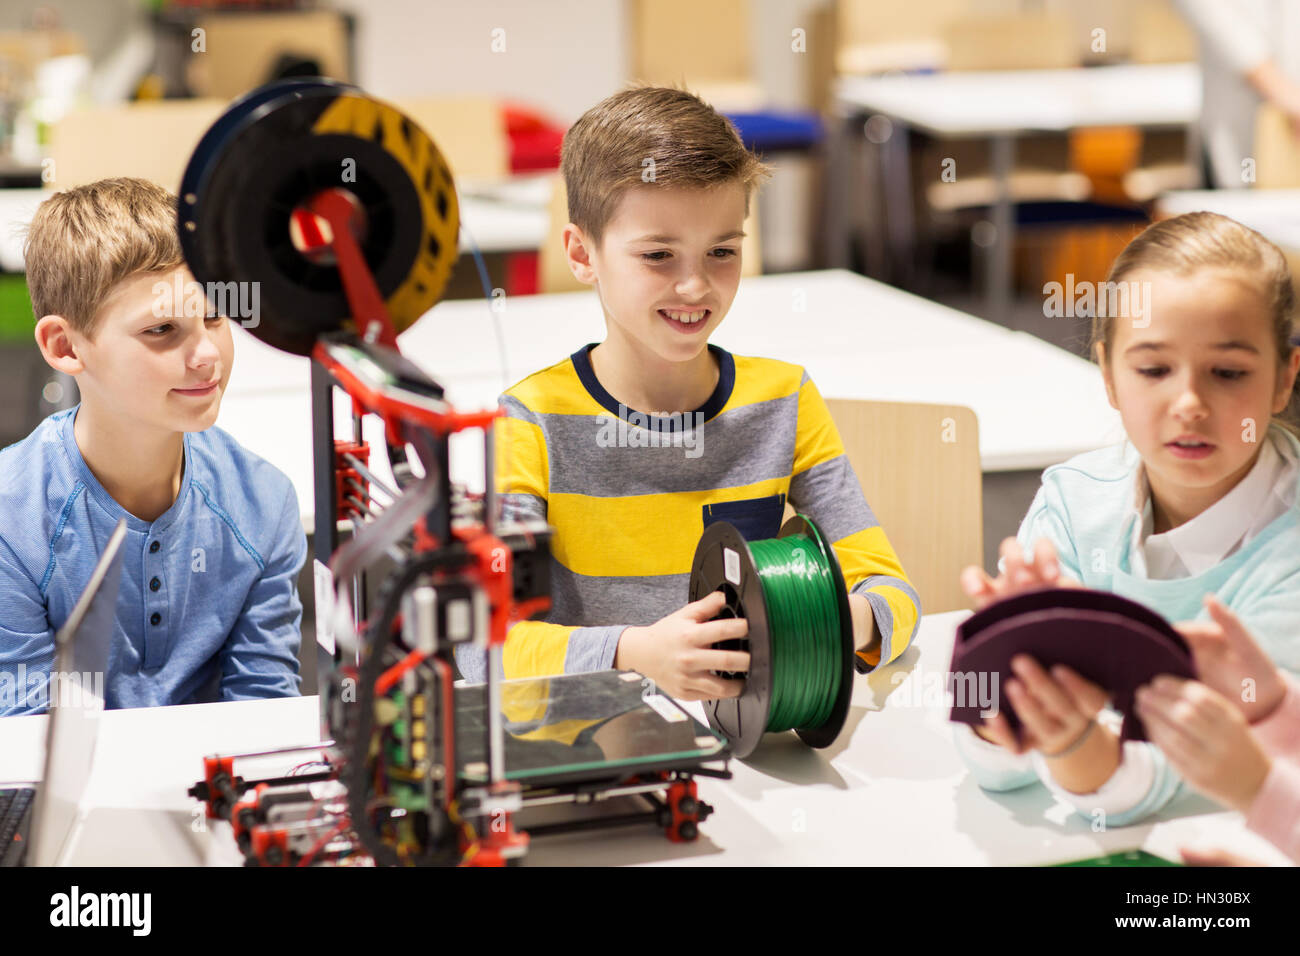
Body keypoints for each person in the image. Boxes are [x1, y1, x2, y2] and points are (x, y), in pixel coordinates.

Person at [457, 86, 920, 698]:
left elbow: (893, 597)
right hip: (603, 751)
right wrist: (636, 653)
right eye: (658, 255)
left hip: (746, 746)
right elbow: (484, 649)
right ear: (581, 253)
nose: (695, 285)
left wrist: (839, 619)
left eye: (722, 251)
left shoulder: (784, 400)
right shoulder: (532, 422)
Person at [955, 211, 1300, 825]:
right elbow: (992, 763)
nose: (1190, 403)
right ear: (1109, 373)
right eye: (1153, 369)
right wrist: (1000, 667)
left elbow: (1211, 769)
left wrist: (1068, 741)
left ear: (1283, 379)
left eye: (1228, 372)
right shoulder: (1075, 499)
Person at [0, 178, 306, 716]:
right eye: (164, 329)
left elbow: (265, 716)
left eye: (215, 316)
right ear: (65, 346)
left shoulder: (263, 503)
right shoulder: (11, 518)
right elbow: (28, 741)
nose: (207, 354)